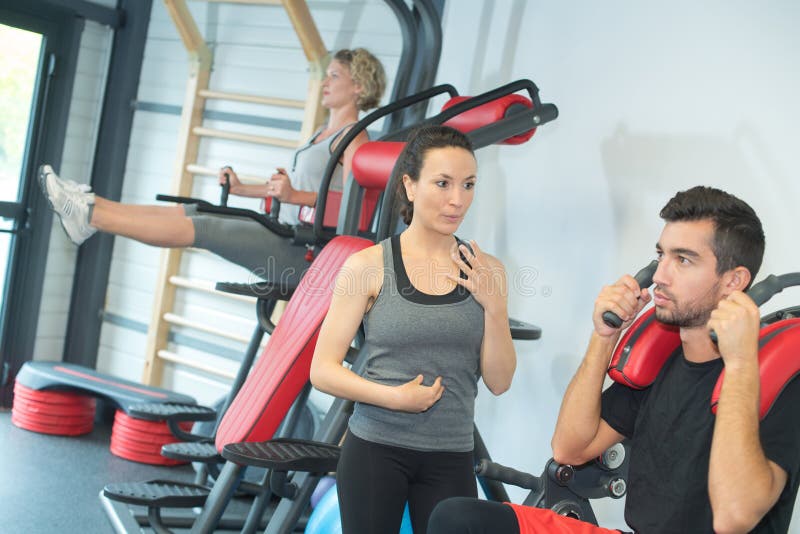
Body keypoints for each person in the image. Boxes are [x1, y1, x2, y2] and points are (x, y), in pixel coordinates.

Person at [428, 186, 800, 534]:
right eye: (660, 256)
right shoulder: (664, 362)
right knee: (458, 518)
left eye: (684, 260)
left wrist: (737, 367)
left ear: (734, 282)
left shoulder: (776, 383)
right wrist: (604, 337)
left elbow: (734, 518)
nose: (661, 276)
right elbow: (570, 449)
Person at [309, 125, 517, 534]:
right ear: (409, 185)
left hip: (452, 454)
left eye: (468, 185)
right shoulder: (368, 266)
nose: (458, 199)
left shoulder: (487, 270)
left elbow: (499, 381)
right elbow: (323, 369)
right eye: (442, 183)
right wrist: (393, 398)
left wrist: (494, 305)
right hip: (375, 451)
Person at [39, 48, 386, 279]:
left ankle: (89, 214)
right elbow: (294, 193)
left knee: (205, 228)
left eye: (334, 76)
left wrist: (295, 196)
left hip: (307, 256)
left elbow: (358, 213)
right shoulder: (323, 133)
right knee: (194, 212)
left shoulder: (355, 140)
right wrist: (242, 190)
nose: (325, 82)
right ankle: (91, 210)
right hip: (284, 231)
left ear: (358, 86)